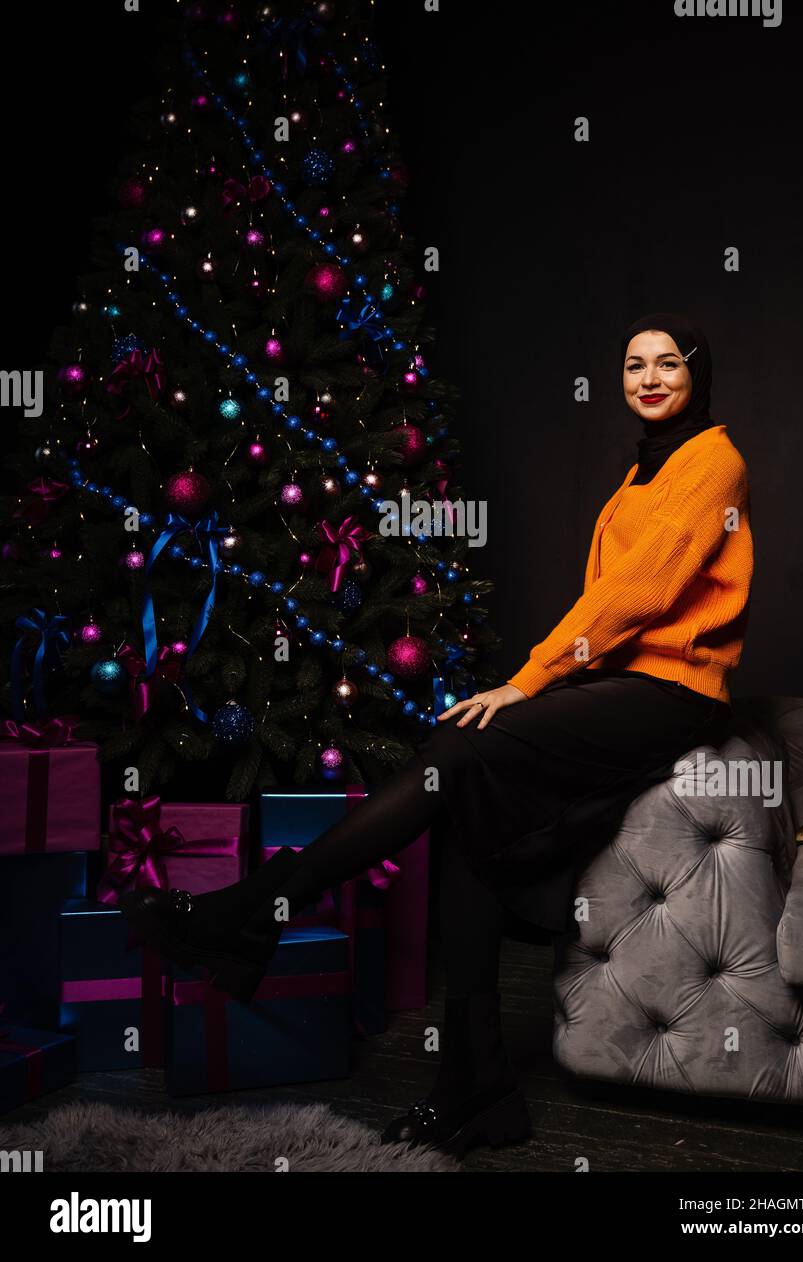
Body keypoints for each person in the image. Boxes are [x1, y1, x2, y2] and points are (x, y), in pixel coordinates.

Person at [120, 311, 753, 1158]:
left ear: (695, 373)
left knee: (460, 750)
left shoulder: (716, 461)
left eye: (667, 364)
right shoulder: (647, 469)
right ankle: (476, 1089)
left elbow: (639, 592)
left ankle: (252, 913)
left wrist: (528, 679)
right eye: (633, 364)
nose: (648, 379)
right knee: (465, 808)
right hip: (618, 684)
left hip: (672, 694)